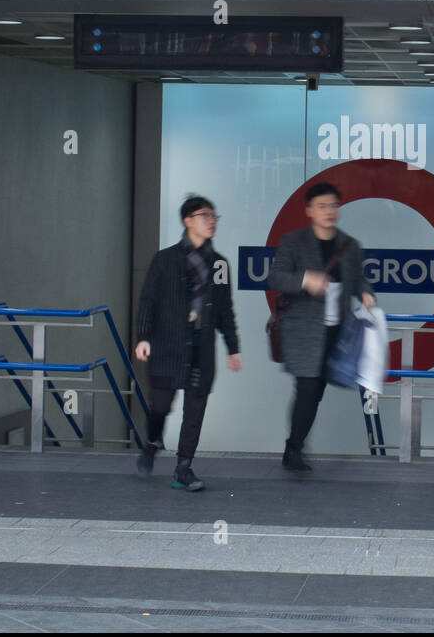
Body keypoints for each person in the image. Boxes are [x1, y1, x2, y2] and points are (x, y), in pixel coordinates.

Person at [133, 196, 241, 491]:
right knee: (160, 407)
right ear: (187, 220)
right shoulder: (165, 259)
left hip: (200, 349)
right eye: (204, 215)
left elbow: (224, 309)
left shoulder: (219, 265)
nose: (211, 220)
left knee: (194, 412)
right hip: (166, 347)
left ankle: (183, 467)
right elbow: (148, 302)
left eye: (214, 215)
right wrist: (143, 337)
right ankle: (152, 444)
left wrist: (233, 347)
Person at [267, 182, 375, 471]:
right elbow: (275, 278)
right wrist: (305, 279)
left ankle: (295, 446)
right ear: (309, 210)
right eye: (322, 206)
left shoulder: (349, 246)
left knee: (315, 391)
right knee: (307, 386)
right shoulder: (294, 242)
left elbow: (359, 279)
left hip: (336, 330)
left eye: (334, 205)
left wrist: (366, 293)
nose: (329, 211)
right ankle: (294, 449)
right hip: (302, 329)